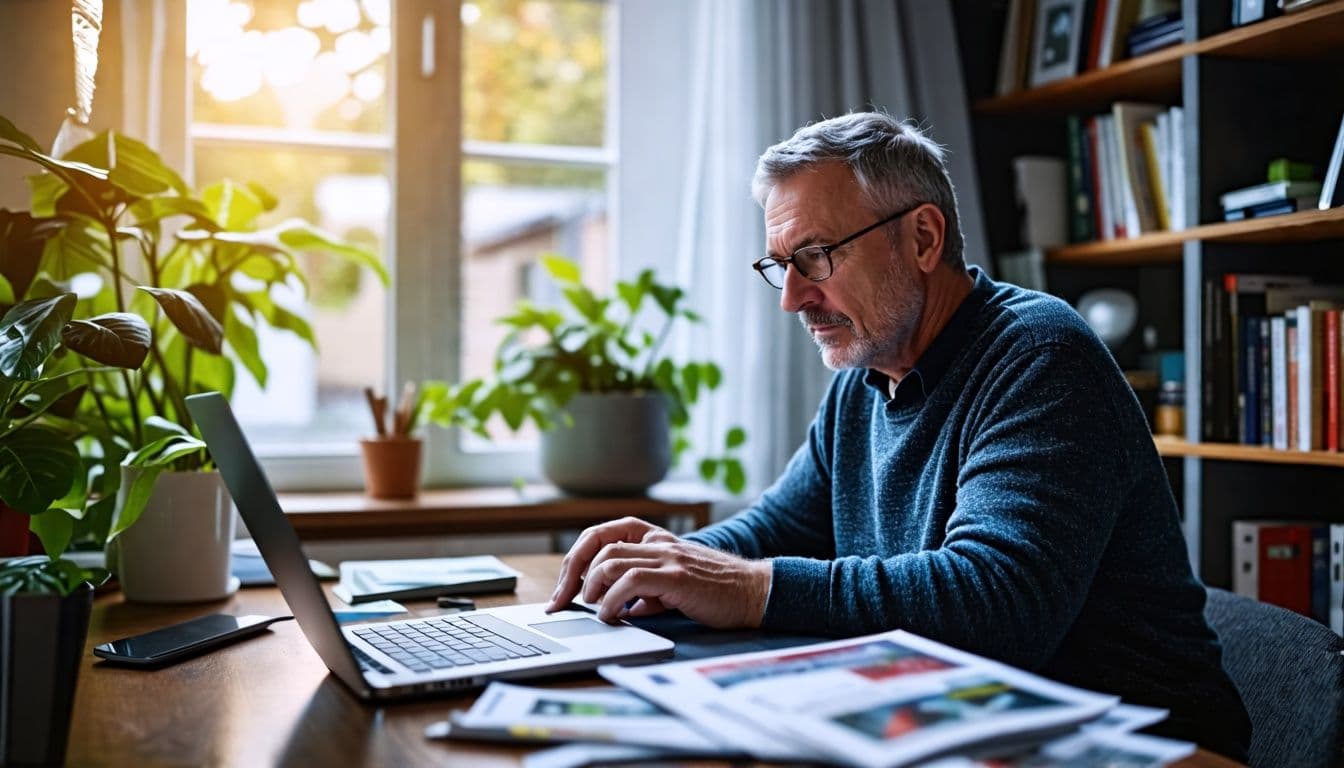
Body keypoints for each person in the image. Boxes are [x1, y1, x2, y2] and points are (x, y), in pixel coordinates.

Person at [545, 112, 1249, 759]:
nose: (792, 298)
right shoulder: (867, 374)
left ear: (923, 238)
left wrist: (747, 586)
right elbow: (778, 529)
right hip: (964, 729)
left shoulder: (1040, 356)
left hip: (1139, 743)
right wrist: (666, 565)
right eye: (781, 266)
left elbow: (999, 602)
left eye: (816, 256)